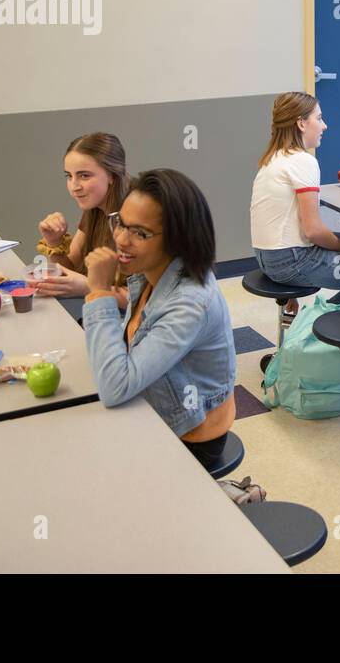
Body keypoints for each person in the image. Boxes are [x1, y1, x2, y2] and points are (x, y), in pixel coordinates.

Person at [82, 169, 237, 471]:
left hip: (191, 434)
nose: (121, 240)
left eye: (139, 233)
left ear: (179, 238)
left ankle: (218, 496)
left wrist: (99, 292)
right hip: (155, 405)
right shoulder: (150, 273)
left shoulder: (190, 303)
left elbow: (114, 388)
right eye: (121, 224)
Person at [251, 92, 340, 312]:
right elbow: (313, 231)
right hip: (292, 259)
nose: (325, 126)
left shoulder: (274, 158)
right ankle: (316, 325)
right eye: (319, 118)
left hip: (269, 257)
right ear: (302, 123)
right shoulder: (302, 161)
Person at [35, 132, 130, 308]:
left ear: (112, 176)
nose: (74, 187)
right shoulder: (95, 207)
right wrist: (54, 242)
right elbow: (68, 270)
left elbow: (148, 301)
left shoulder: (138, 215)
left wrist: (89, 287)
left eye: (84, 175)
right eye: (69, 176)